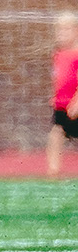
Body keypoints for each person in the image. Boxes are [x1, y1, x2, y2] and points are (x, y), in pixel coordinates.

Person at [49, 13, 78, 176]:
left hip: (75, 104)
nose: (61, 33)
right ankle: (53, 170)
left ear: (76, 31)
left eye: (66, 29)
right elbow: (59, 78)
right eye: (58, 30)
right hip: (62, 104)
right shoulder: (58, 54)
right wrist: (54, 96)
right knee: (56, 134)